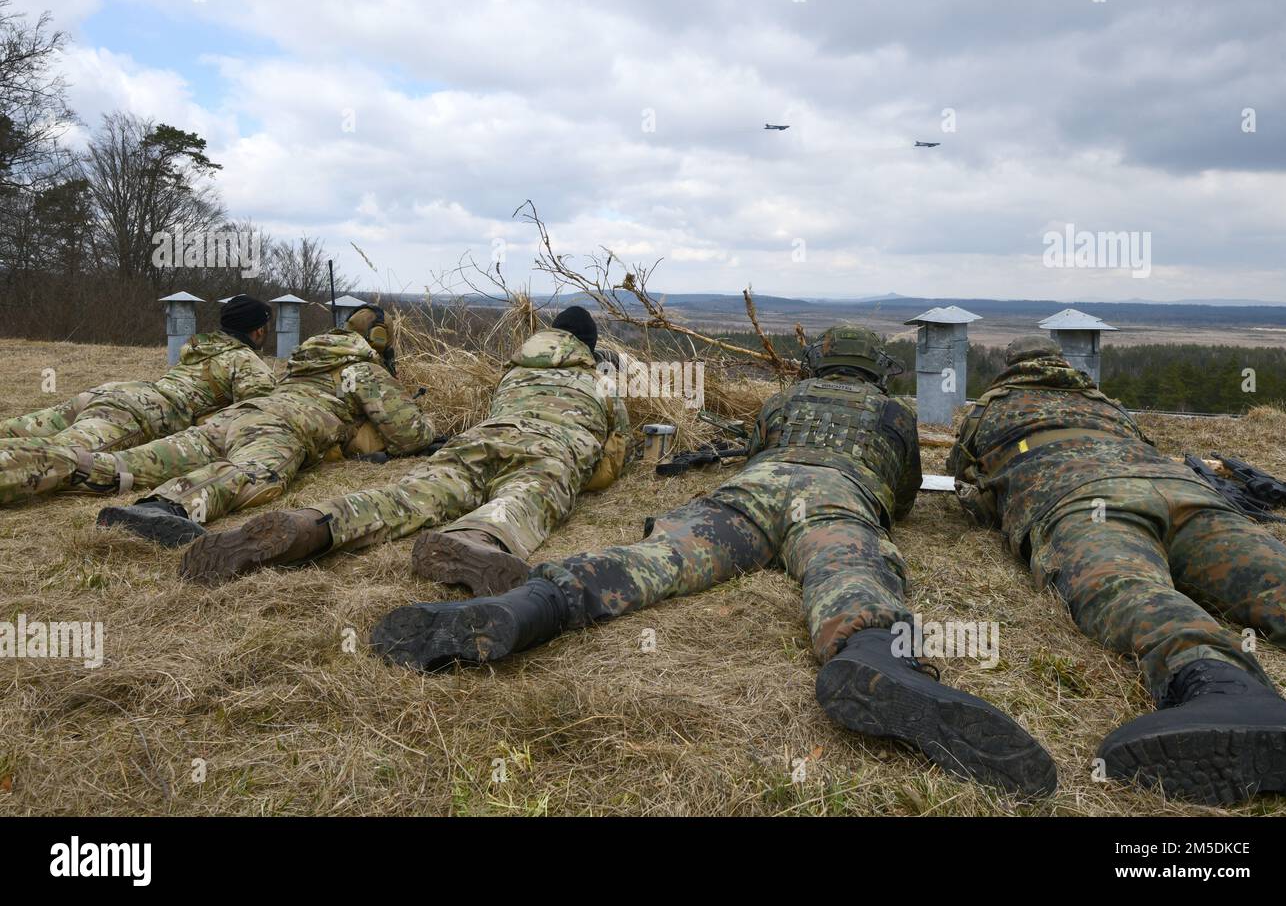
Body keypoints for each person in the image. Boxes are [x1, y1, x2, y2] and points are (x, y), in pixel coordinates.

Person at [369, 326, 1058, 797]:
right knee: (848, 571)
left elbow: (755, 449)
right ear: (875, 369)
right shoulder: (891, 412)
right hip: (832, 494)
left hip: (749, 493)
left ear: (820, 362)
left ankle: (530, 606)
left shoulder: (786, 398)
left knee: (657, 557)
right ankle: (874, 656)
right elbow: (901, 496)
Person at [947, 334, 1286, 805]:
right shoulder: (1108, 404)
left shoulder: (988, 410)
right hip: (1183, 491)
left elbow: (968, 482)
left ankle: (1223, 687)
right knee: (1280, 579)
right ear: (1060, 363)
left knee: (1125, 586)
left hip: (1081, 496)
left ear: (1011, 366)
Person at [175, 306, 633, 589]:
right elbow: (612, 459)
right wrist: (583, 470)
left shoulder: (513, 372)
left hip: (479, 440)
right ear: (588, 348)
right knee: (521, 499)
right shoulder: (600, 381)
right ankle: (474, 539)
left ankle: (313, 524)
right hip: (548, 449)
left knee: (408, 495)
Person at [93, 304, 439, 547]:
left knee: (142, 460)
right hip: (282, 427)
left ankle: (68, 467)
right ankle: (165, 506)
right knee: (256, 476)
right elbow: (411, 436)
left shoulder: (303, 363)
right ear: (377, 339)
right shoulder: (363, 369)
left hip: (239, 415)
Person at [0, 295, 276, 505]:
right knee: (55, 457)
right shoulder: (247, 361)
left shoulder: (200, 346)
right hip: (133, 414)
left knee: (15, 429)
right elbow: (255, 417)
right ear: (258, 331)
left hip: (116, 393)